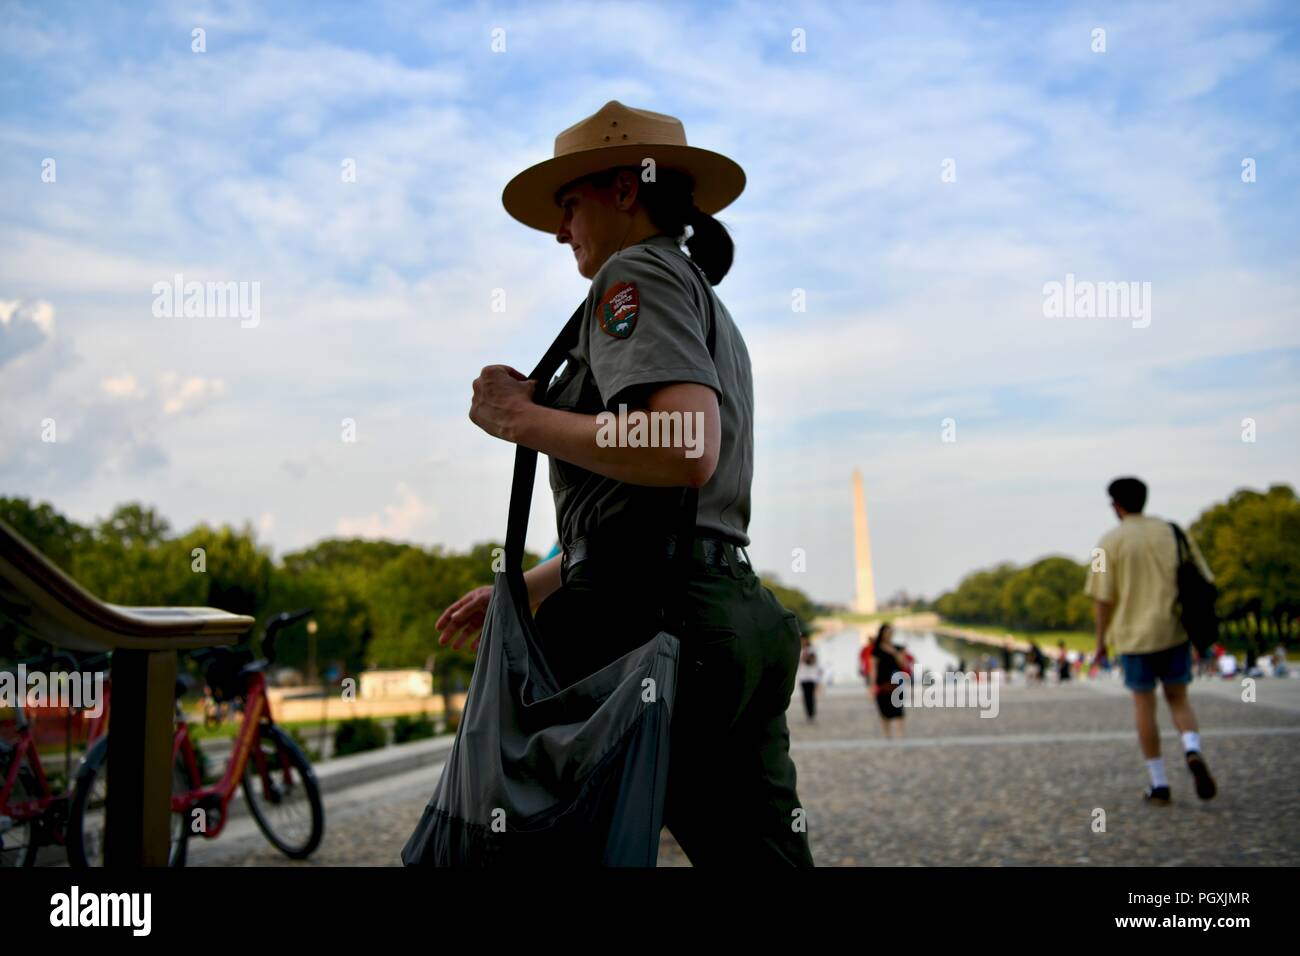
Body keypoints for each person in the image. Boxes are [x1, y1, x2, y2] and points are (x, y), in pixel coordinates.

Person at [434, 101, 812, 866]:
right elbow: (655, 512)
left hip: (646, 617)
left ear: (623, 190)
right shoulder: (699, 294)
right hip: (731, 612)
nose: (559, 229)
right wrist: (534, 583)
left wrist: (519, 418)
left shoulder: (632, 274)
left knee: (540, 849)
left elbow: (683, 446)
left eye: (569, 204)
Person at [1084, 476, 1218, 805]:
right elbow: (1205, 576)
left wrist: (1100, 642)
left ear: (1116, 505)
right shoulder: (1173, 532)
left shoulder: (1107, 543)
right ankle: (1191, 748)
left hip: (1133, 637)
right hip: (1173, 630)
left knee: (1144, 705)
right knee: (1179, 699)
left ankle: (1159, 784)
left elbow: (1102, 598)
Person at [870, 622, 907, 738]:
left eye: (891, 632)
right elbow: (873, 669)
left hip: (896, 684)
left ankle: (900, 735)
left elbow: (903, 664)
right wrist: (872, 686)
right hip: (882, 684)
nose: (889, 635)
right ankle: (888, 735)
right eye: (887, 632)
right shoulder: (876, 650)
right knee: (884, 712)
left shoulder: (897, 648)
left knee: (899, 711)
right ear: (882, 633)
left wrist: (894, 652)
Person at [796, 648, 825, 722]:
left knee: (811, 697)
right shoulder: (802, 656)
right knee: (806, 697)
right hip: (804, 679)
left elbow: (818, 668)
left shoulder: (812, 654)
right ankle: (809, 714)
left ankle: (811, 714)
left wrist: (819, 681)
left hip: (811, 680)